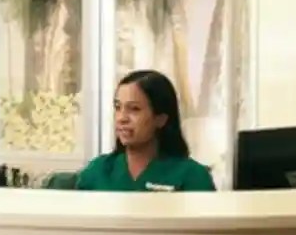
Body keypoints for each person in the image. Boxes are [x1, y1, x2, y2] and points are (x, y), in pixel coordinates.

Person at [76, 69, 215, 192]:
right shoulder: (98, 171)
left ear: (161, 119)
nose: (122, 118)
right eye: (118, 108)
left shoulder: (193, 176)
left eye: (134, 109)